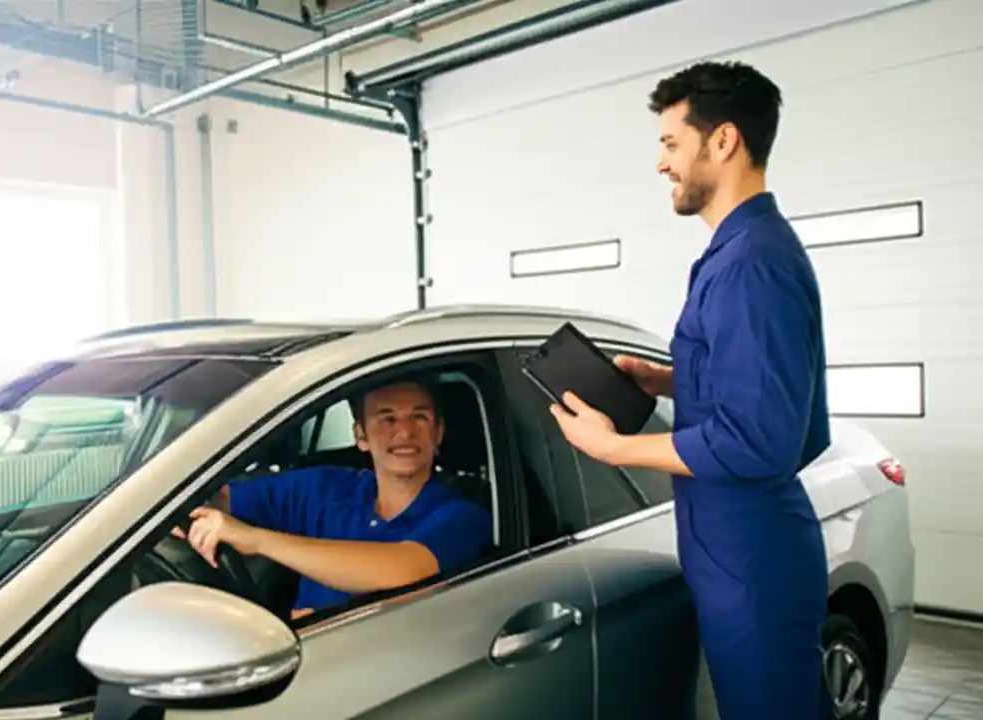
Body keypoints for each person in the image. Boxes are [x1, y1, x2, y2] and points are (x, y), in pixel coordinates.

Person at [550, 61, 831, 719]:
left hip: (751, 559)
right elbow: (767, 383)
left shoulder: (750, 265)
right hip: (740, 550)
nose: (661, 164)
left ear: (724, 141)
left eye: (671, 143)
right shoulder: (741, 251)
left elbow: (759, 438)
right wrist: (667, 380)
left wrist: (615, 448)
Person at [177, 376, 493, 620]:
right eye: (387, 418)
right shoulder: (326, 488)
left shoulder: (461, 515)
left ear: (438, 433)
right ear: (360, 436)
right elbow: (216, 501)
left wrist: (256, 540)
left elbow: (404, 570)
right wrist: (191, 513)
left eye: (419, 417)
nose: (405, 432)